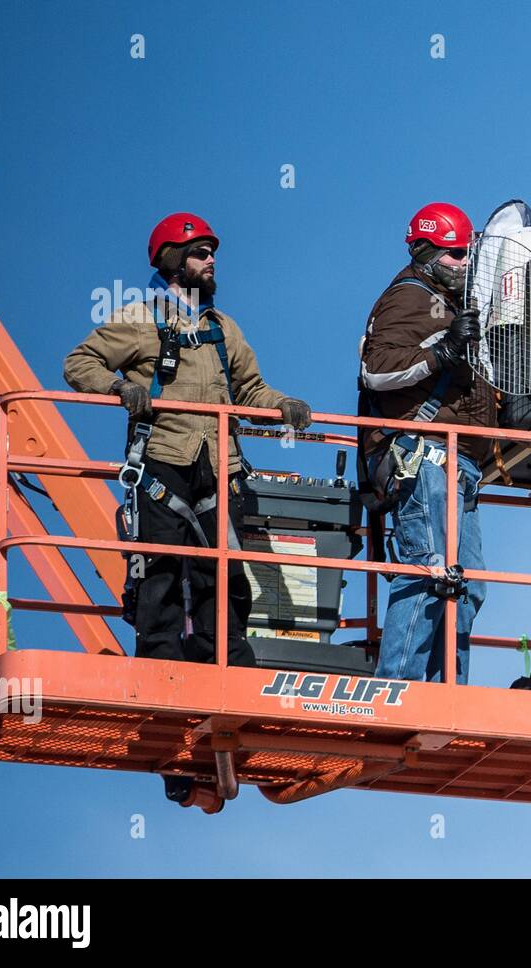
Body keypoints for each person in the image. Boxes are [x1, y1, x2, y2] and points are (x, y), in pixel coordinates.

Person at [64, 212, 312, 806]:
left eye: (212, 252)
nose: (210, 260)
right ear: (171, 259)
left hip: (216, 467)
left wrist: (284, 407)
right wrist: (121, 389)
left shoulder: (223, 329)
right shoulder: (140, 320)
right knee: (158, 588)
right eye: (200, 252)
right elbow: (80, 364)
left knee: (223, 585)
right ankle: (164, 707)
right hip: (162, 468)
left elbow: (250, 390)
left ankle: (234, 700)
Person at [357, 202, 494, 684]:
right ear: (427, 251)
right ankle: (399, 689)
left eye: (467, 255)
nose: (464, 263)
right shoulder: (410, 296)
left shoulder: (453, 306)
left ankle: (445, 692)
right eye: (456, 254)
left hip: (459, 464)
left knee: (467, 587)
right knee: (431, 574)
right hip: (425, 458)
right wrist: (442, 352)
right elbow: (376, 371)